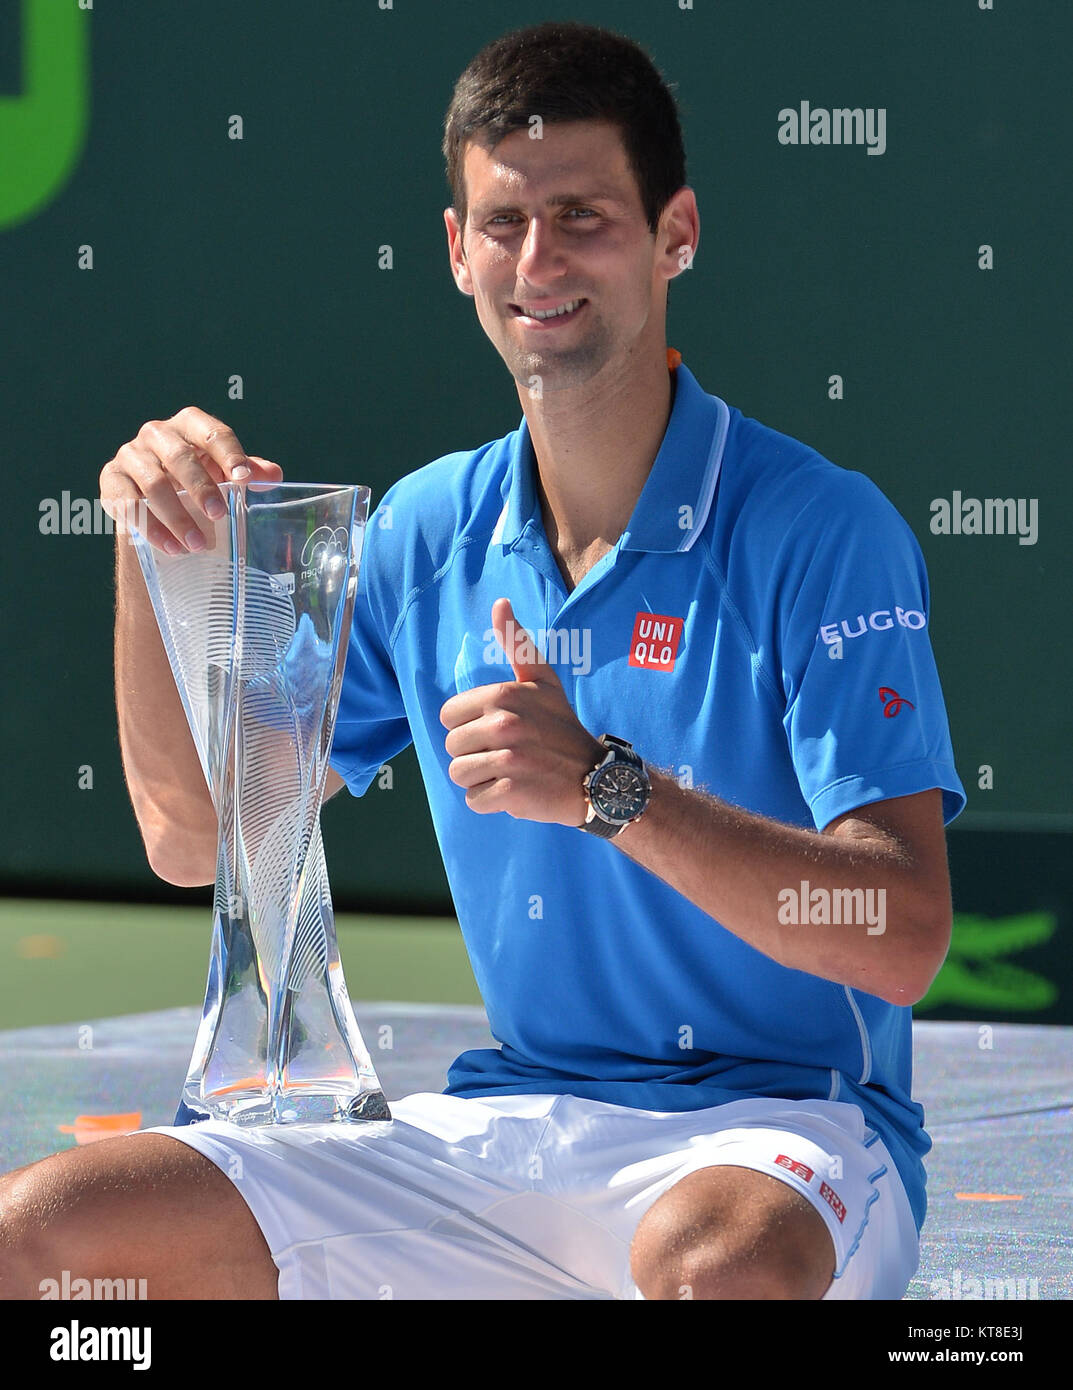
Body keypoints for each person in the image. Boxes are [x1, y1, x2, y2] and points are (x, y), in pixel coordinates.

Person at [0, 21, 965, 1301]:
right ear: (456, 251)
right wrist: (150, 550)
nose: (538, 259)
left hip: (787, 1138)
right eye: (504, 223)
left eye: (583, 216)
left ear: (675, 232)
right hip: (506, 1132)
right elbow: (199, 837)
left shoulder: (821, 529)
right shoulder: (424, 528)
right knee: (41, 1233)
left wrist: (609, 789)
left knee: (716, 1269)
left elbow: (896, 934)